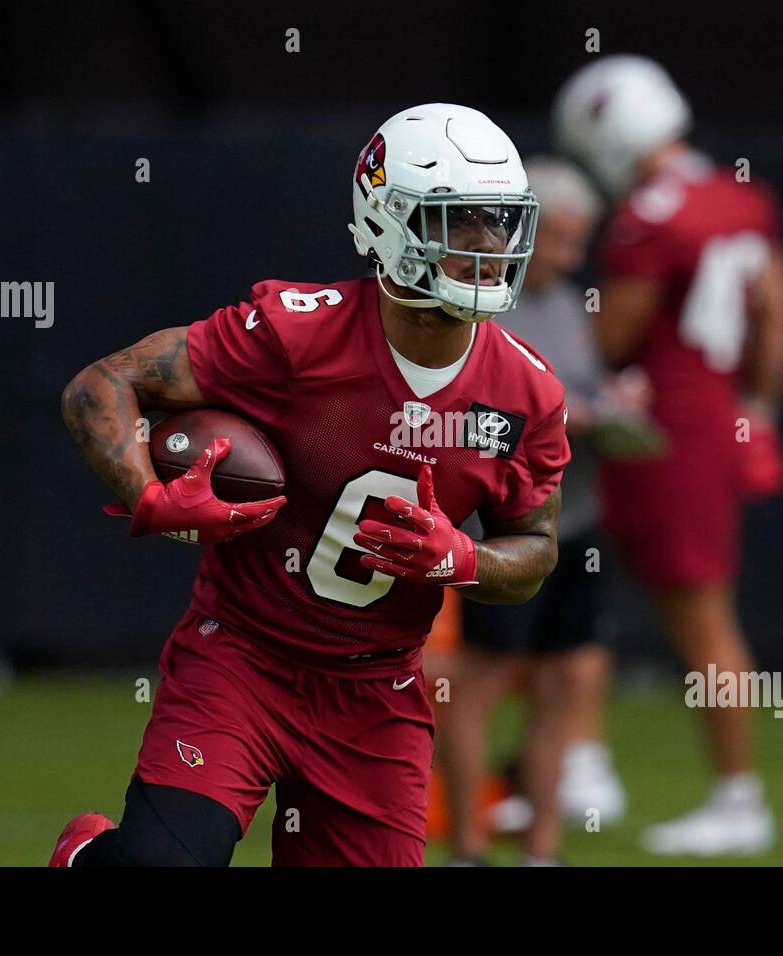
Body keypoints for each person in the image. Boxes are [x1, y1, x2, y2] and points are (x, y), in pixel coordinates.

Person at [49, 103, 569, 867]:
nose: (486, 248)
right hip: (244, 659)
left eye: (497, 223)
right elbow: (100, 387)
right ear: (388, 221)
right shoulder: (297, 333)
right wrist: (149, 496)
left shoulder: (527, 392)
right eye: (457, 223)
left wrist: (462, 558)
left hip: (378, 692)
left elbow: (537, 547)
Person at [555, 57, 783, 856]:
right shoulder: (740, 197)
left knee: (668, 609)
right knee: (644, 600)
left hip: (660, 431)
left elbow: (610, 338)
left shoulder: (651, 217)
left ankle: (732, 798)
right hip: (714, 420)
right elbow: (779, 317)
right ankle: (585, 768)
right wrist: (757, 411)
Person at [437, 158, 635, 867]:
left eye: (580, 240)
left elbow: (577, 386)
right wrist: (561, 417)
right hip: (500, 525)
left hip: (575, 518)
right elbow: (462, 410)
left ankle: (542, 849)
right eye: (558, 239)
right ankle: (467, 842)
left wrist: (611, 406)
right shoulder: (483, 300)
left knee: (570, 681)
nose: (570, 255)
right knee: (479, 678)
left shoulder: (570, 303)